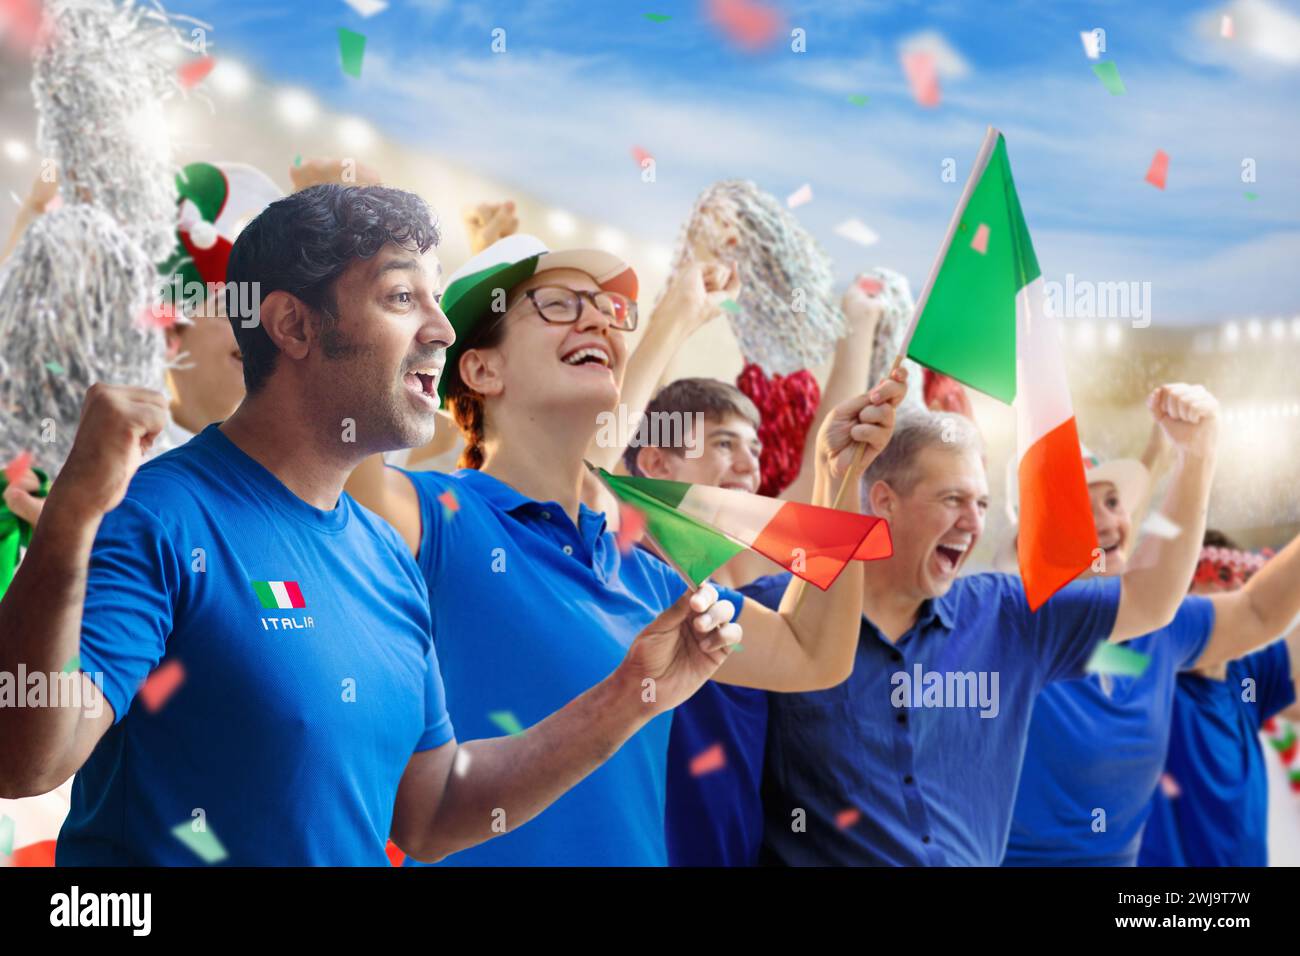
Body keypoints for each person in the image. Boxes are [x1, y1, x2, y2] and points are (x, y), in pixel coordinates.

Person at [0, 183, 746, 865]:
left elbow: (431, 811)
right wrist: (71, 519)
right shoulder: (165, 514)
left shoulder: (384, 557)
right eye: (400, 298)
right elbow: (26, 758)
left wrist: (629, 693)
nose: (442, 332)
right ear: (292, 323)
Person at [343, 231, 906, 865]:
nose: (598, 319)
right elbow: (342, 410)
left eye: (607, 311)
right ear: (480, 369)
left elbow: (813, 654)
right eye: (556, 304)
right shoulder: (427, 516)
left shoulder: (646, 575)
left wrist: (839, 478)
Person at [750, 387, 1222, 866]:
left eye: (982, 504)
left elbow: (1150, 597)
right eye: (953, 498)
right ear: (884, 500)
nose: (972, 522)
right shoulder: (780, 611)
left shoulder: (1007, 614)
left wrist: (1198, 456)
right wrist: (831, 480)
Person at [1005, 467, 1300, 866]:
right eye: (1217, 580)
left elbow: (1261, 611)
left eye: (1239, 581)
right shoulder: (1140, 663)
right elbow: (1095, 631)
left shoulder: (1244, 676)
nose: (1229, 593)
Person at [1137, 533, 1300, 866]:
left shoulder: (1247, 673)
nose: (1237, 594)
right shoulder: (1143, 669)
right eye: (1222, 578)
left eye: (1247, 583)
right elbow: (1088, 652)